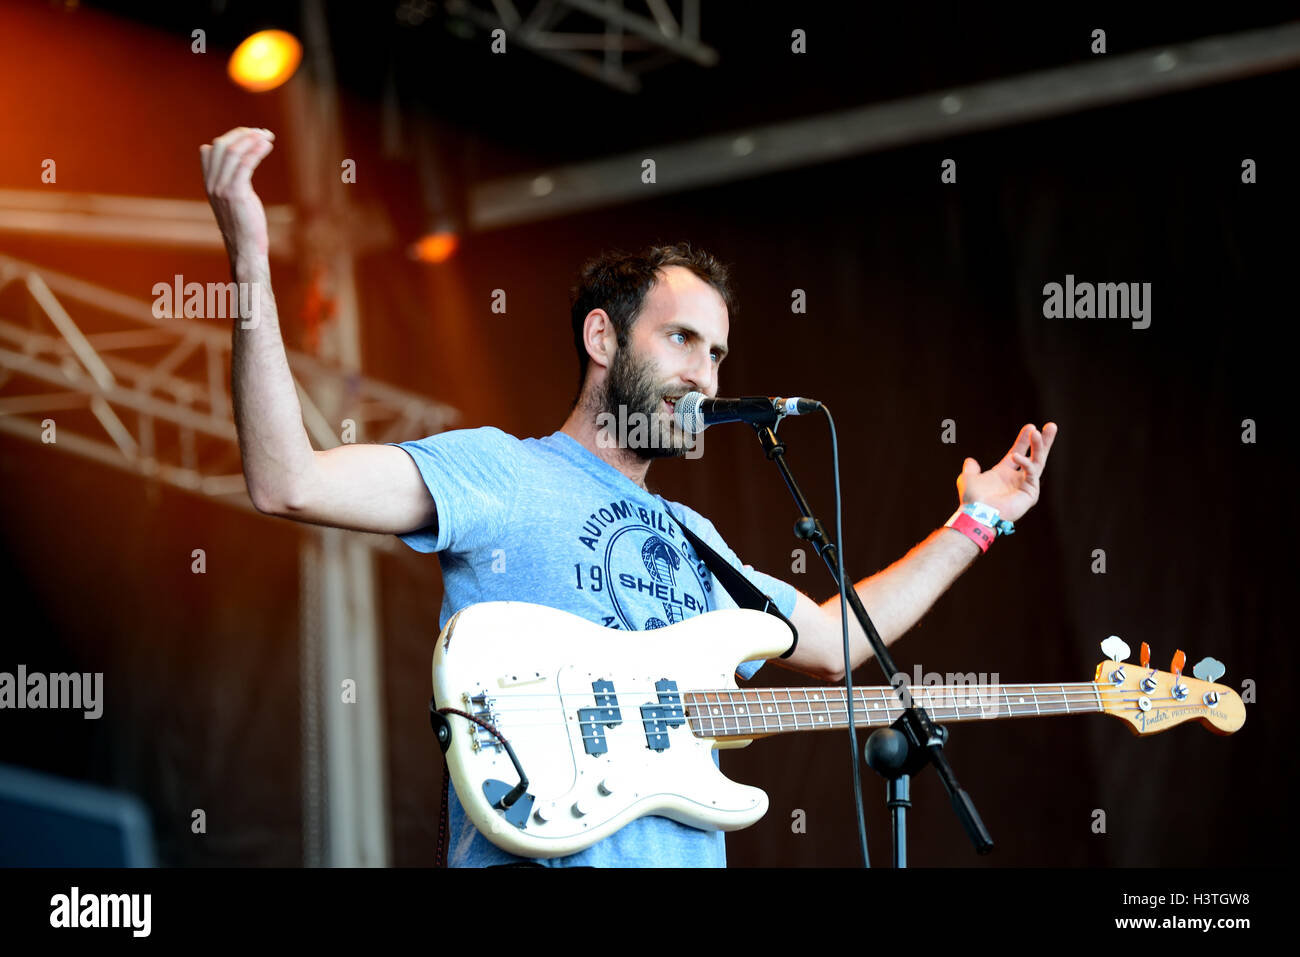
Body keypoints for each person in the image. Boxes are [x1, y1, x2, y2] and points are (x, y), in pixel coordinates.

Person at [201, 126, 1059, 867]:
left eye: (718, 354)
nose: (704, 372)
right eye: (681, 338)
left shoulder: (696, 538)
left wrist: (977, 520)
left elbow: (837, 641)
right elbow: (289, 480)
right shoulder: (500, 469)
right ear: (603, 337)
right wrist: (248, 261)